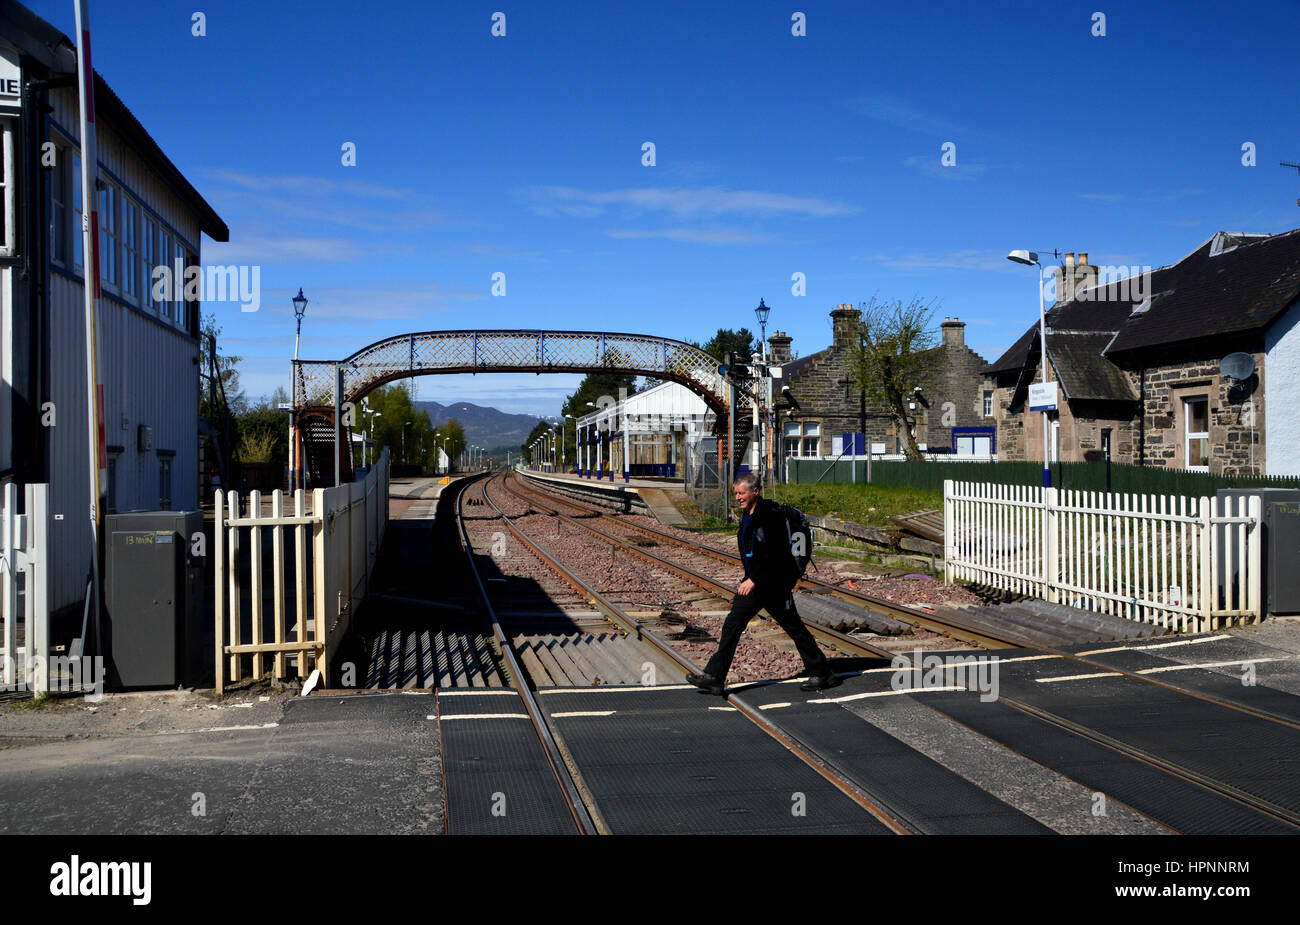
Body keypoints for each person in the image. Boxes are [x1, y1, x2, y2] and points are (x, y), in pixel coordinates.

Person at [686, 472, 840, 695]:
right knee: (733, 625)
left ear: (755, 491)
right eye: (736, 493)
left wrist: (754, 579)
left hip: (774, 584)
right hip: (758, 584)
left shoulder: (770, 515)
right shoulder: (748, 514)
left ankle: (823, 673)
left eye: (742, 493)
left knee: (793, 628)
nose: (738, 497)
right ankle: (715, 677)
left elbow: (778, 555)